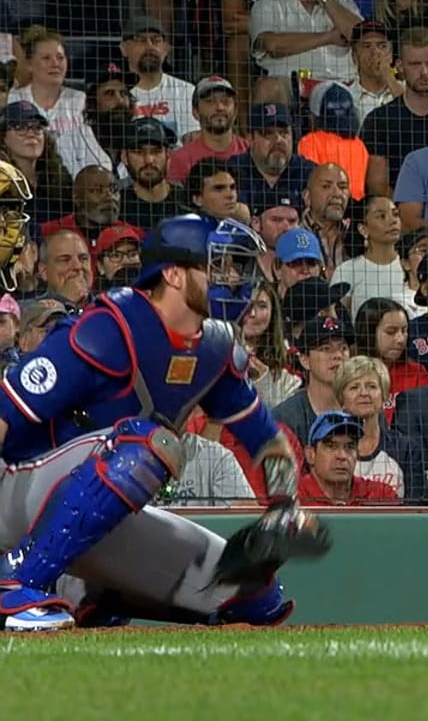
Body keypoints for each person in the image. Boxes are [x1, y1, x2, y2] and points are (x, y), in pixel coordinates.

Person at [0, 215, 327, 631]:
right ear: (172, 274)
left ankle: (86, 593)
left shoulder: (214, 347)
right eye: (217, 266)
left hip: (87, 516)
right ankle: (17, 584)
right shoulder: (107, 328)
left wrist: (284, 509)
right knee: (148, 445)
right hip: (16, 486)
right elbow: (5, 413)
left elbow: (266, 439)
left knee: (252, 594)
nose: (232, 279)